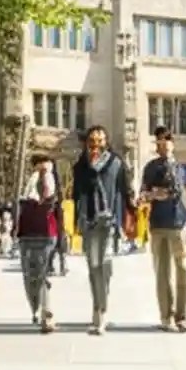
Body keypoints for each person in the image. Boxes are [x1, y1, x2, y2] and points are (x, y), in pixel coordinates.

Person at [71, 125, 136, 335]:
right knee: (93, 266)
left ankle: (101, 307)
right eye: (92, 141)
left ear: (106, 142)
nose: (96, 145)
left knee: (104, 266)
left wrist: (131, 216)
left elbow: (126, 191)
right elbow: (75, 195)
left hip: (109, 221)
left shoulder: (116, 163)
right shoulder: (80, 166)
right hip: (89, 220)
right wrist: (74, 223)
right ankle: (98, 310)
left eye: (100, 140)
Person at [141, 127, 186, 332]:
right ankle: (166, 315)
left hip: (178, 222)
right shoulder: (151, 168)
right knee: (163, 272)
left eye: (167, 140)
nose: (163, 144)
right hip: (158, 224)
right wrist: (155, 194)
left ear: (173, 143)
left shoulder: (184, 168)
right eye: (159, 141)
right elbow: (144, 194)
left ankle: (181, 314)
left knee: (183, 269)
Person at [17, 154, 60, 332]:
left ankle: (46, 314)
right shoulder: (27, 181)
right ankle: (37, 307)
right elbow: (23, 202)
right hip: (27, 233)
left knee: (41, 275)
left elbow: (50, 198)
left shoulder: (51, 180)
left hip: (46, 233)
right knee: (30, 277)